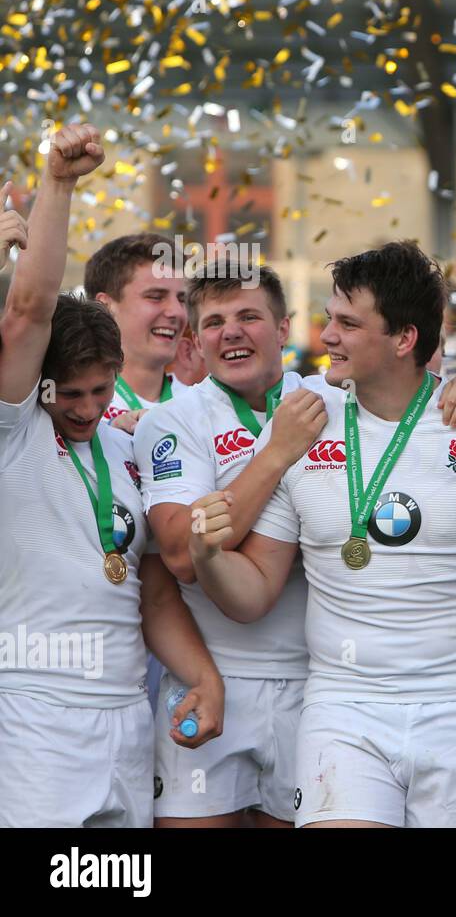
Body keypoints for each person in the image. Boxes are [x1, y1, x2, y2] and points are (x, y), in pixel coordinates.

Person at [186, 241, 456, 827]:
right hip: (343, 707)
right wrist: (207, 555)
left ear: (404, 339)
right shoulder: (301, 420)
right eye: (328, 319)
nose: (327, 338)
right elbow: (253, 593)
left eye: (348, 323)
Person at [0, 125, 223, 827]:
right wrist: (58, 186)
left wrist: (205, 678)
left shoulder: (127, 449)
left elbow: (153, 597)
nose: (87, 410)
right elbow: (29, 309)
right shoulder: (14, 432)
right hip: (32, 712)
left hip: (125, 716)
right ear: (38, 384)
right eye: (69, 395)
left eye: (101, 394)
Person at [134, 263, 325, 827]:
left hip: (316, 685)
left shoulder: (331, 403)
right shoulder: (173, 420)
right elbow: (178, 552)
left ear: (285, 328)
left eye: (249, 316)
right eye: (214, 322)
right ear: (196, 340)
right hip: (210, 681)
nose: (232, 332)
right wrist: (276, 453)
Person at [84, 232, 190, 432]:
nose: (177, 311)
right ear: (105, 307)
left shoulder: (203, 407)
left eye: (182, 300)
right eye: (156, 297)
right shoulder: (71, 406)